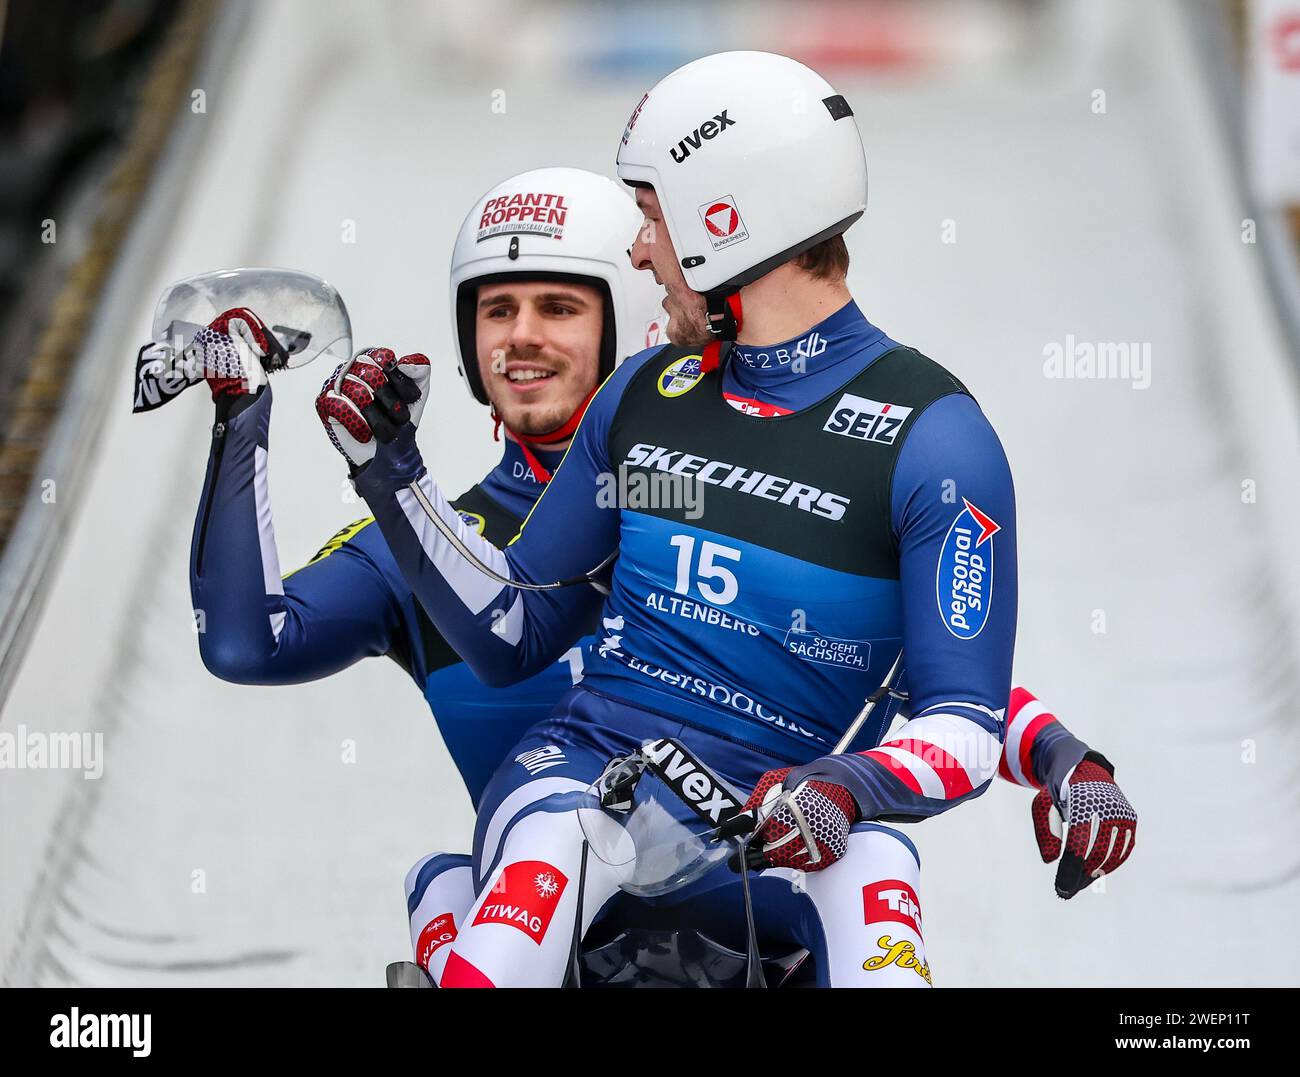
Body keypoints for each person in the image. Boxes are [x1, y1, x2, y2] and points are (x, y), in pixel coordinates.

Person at [316, 52, 1137, 988]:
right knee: (551, 847)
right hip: (585, 781)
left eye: (652, 219)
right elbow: (516, 629)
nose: (637, 253)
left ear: (724, 224)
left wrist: (858, 786)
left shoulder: (936, 438)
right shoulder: (642, 393)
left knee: (875, 866)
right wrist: (393, 474)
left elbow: (959, 711)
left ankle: (452, 910)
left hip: (787, 815)